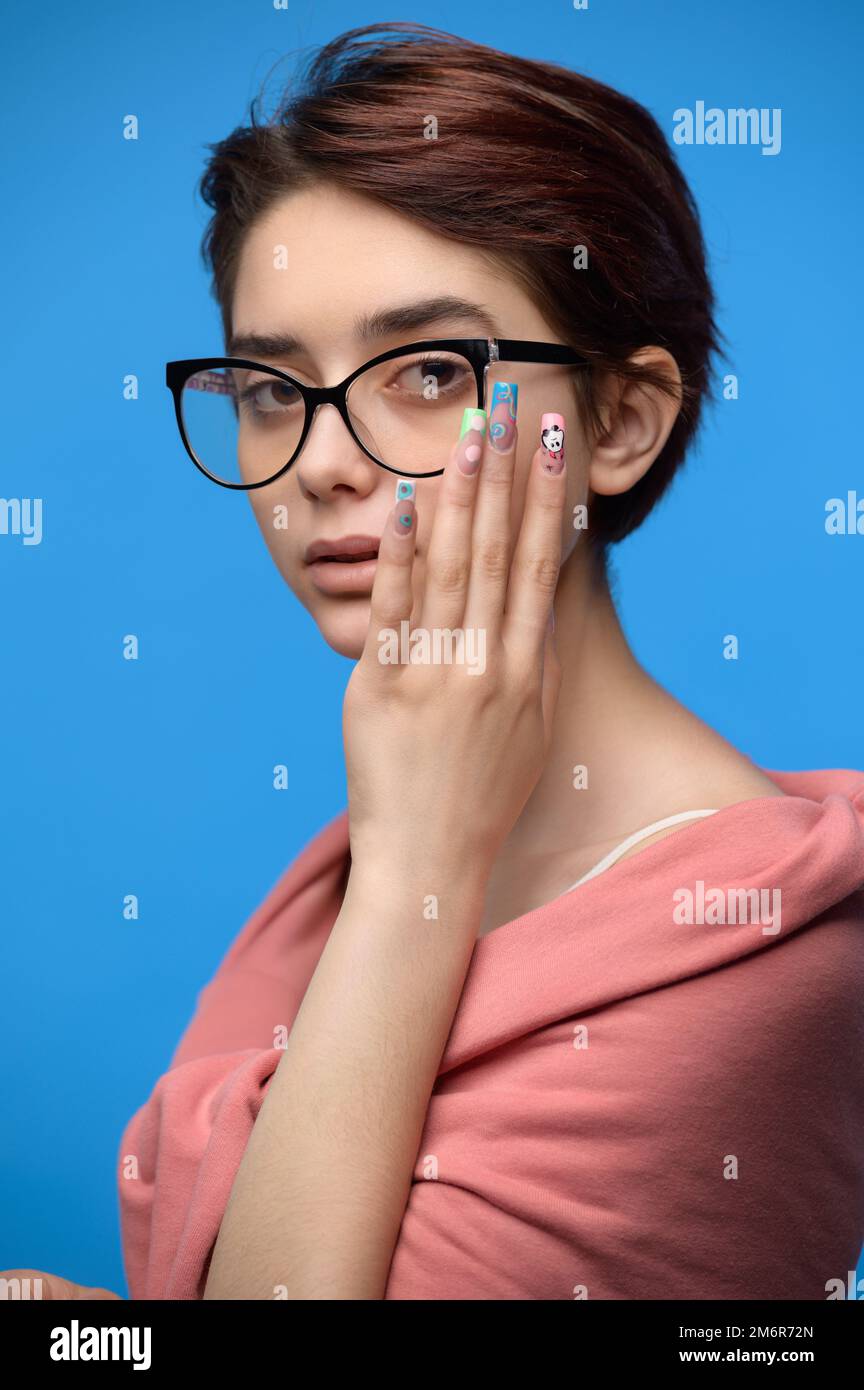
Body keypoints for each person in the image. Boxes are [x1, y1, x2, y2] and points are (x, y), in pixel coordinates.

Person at [12, 22, 864, 1302]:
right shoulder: (347, 858)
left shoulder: (759, 956)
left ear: (623, 419)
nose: (320, 460)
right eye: (266, 386)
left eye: (425, 369)